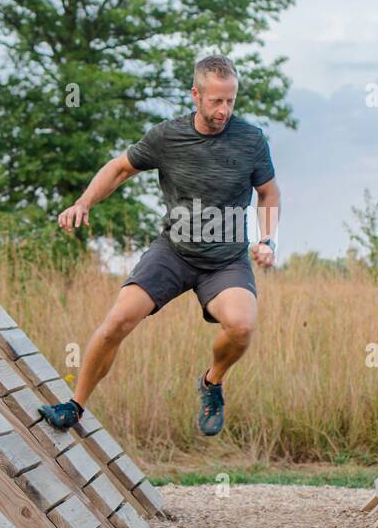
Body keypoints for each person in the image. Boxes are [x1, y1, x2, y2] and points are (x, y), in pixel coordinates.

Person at [39, 54, 281, 436]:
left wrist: (266, 239)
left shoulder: (250, 139)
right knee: (117, 320)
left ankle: (212, 383)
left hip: (225, 260)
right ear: (195, 95)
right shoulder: (168, 136)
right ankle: (75, 405)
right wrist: (84, 202)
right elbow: (119, 168)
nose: (224, 110)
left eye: (231, 100)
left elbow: (267, 193)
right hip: (174, 252)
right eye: (216, 101)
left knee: (241, 326)